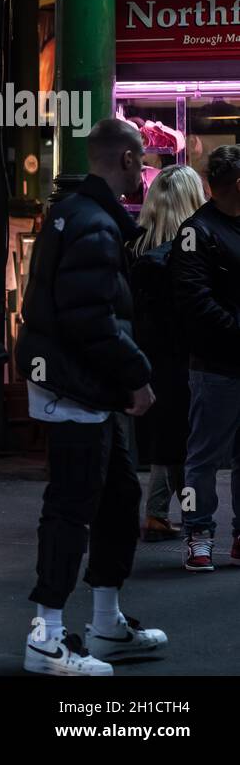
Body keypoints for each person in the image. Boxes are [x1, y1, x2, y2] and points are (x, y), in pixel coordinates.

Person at [15, 117, 166, 676]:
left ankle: (105, 624)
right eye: (142, 161)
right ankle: (47, 637)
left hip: (78, 382)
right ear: (125, 159)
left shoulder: (74, 212)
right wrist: (137, 375)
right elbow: (91, 319)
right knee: (74, 505)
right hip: (77, 384)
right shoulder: (96, 224)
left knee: (117, 496)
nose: (145, 171)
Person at [172, 144, 240, 572]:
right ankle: (198, 534)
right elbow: (194, 300)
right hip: (216, 365)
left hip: (223, 359)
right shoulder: (197, 231)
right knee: (203, 456)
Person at [129, 165, 205, 543]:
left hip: (147, 360)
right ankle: (189, 515)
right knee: (189, 443)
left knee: (169, 440)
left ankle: (160, 512)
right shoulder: (195, 251)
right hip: (189, 361)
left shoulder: (137, 249)